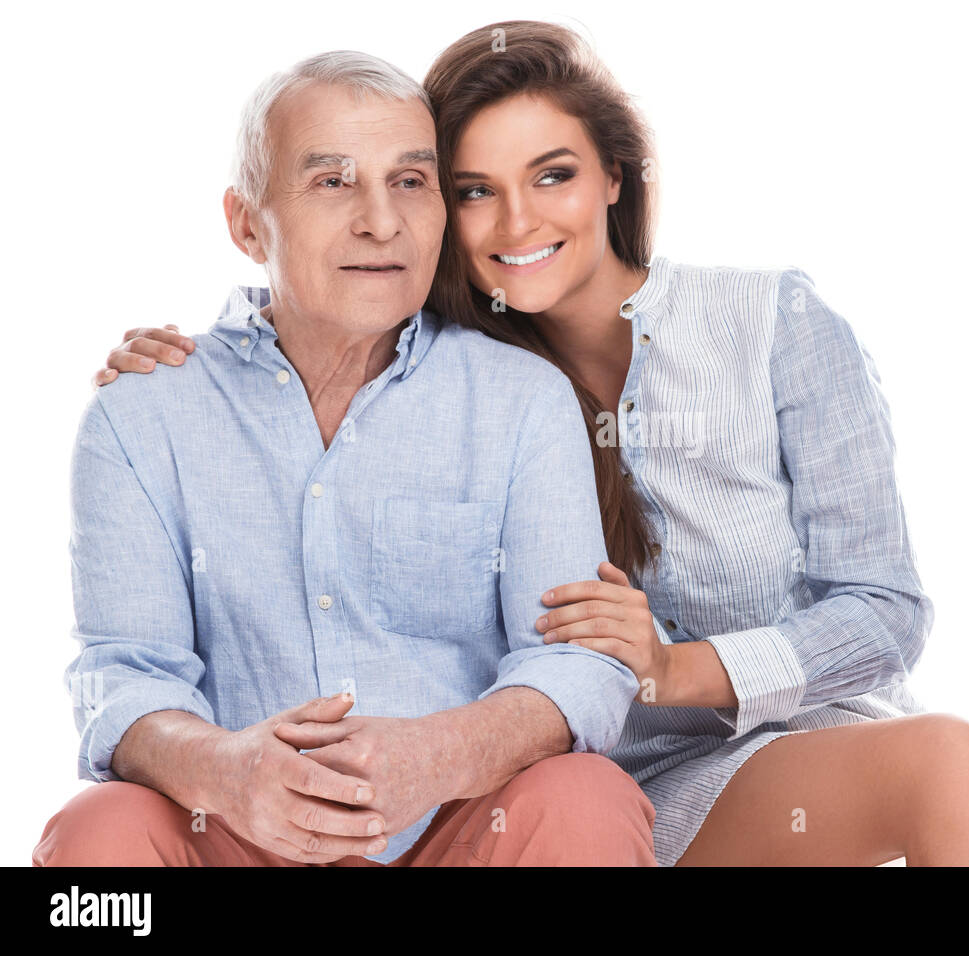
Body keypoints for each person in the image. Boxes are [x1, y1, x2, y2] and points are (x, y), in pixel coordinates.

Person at [94, 21, 969, 866]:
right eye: (470, 188)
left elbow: (884, 609)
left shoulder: (770, 325)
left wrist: (681, 668)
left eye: (552, 175)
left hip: (800, 723)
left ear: (616, 179)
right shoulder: (464, 367)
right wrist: (199, 359)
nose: (516, 219)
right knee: (949, 763)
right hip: (623, 767)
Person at [36, 50, 657, 868]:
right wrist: (224, 770)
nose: (381, 221)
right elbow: (126, 675)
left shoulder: (523, 399)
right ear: (246, 222)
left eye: (410, 181)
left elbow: (575, 663)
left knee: (585, 797)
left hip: (457, 830)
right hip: (234, 836)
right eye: (333, 182)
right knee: (99, 827)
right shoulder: (143, 413)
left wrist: (439, 755)